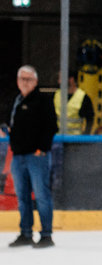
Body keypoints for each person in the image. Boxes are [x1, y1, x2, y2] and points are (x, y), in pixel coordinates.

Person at [5, 66, 57, 248]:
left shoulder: (43, 100)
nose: (25, 82)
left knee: (42, 195)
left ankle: (46, 234)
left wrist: (42, 149)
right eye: (22, 79)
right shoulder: (17, 100)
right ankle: (25, 232)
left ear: (35, 81)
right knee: (22, 197)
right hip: (18, 157)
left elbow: (51, 126)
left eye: (29, 79)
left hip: (36, 157)